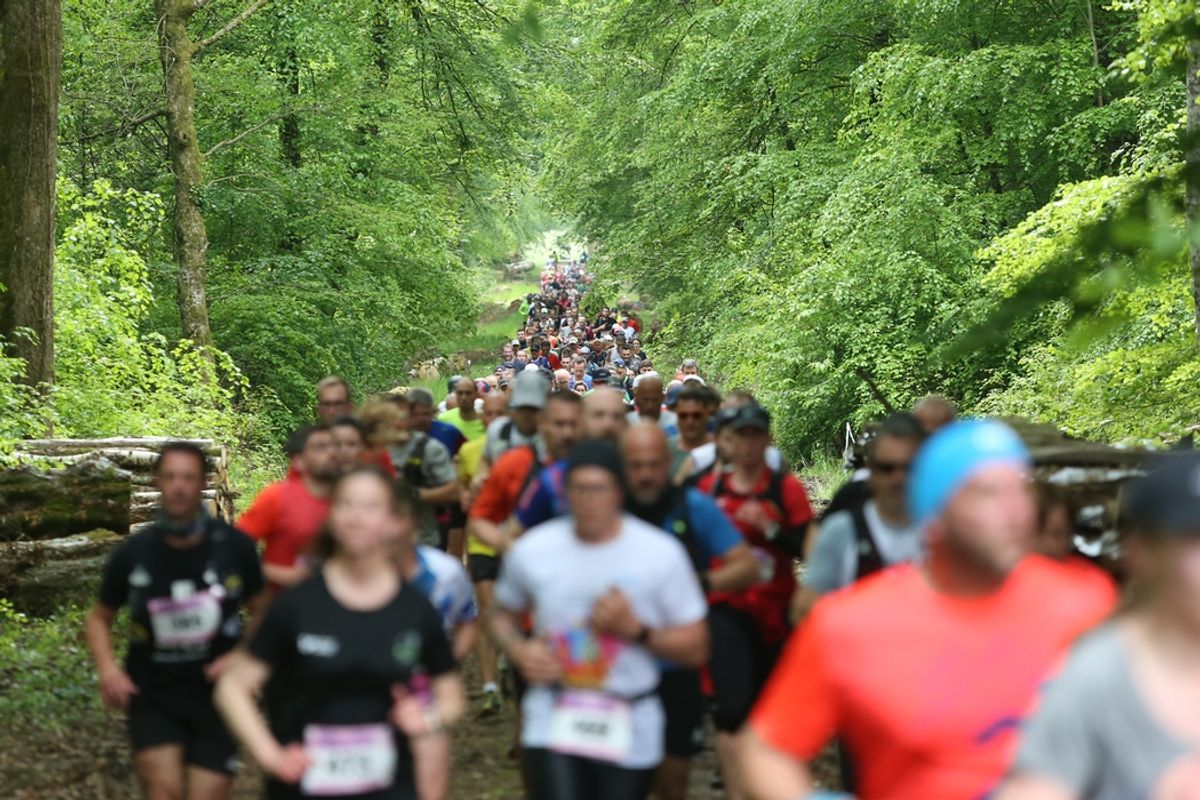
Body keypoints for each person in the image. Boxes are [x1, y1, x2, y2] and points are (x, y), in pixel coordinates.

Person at [739, 419, 1118, 800]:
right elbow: (767, 750)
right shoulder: (850, 625)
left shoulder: (1084, 601)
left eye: (1020, 490)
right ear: (936, 513)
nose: (1014, 511)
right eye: (987, 493)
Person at [216, 466, 466, 800]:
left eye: (371, 506)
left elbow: (450, 694)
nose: (356, 517)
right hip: (302, 786)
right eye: (346, 505)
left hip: (390, 787)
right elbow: (232, 687)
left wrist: (428, 718)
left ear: (394, 522)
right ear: (331, 517)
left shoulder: (416, 610)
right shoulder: (296, 606)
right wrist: (269, 754)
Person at [490, 440, 710, 800]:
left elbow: (697, 647)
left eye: (600, 489)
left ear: (620, 492)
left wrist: (636, 631)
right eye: (580, 489)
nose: (589, 500)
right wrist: (519, 651)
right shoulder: (534, 550)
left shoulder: (659, 554)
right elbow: (502, 615)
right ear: (565, 493)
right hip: (554, 711)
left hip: (629, 713)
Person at [996, 453, 1200, 800]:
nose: (1055, 545)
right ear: (1140, 553)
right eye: (1194, 541)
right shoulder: (1094, 678)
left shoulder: (1092, 588)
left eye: (1062, 534)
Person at [85, 442, 266, 800]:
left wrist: (241, 656)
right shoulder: (134, 553)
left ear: (204, 482)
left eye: (188, 477)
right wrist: (108, 670)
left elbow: (266, 611)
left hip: (219, 692)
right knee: (163, 789)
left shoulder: (233, 547)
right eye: (170, 477)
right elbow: (99, 618)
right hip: (154, 690)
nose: (179, 486)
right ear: (157, 482)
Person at [620, 424, 759, 800]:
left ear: (668, 463)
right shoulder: (604, 509)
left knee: (673, 778)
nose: (645, 475)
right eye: (636, 465)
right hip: (616, 664)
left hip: (676, 663)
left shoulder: (692, 506)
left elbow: (746, 566)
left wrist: (699, 583)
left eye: (654, 464)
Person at [695, 404, 814, 800]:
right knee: (731, 710)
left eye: (755, 435)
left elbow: (808, 550)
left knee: (770, 711)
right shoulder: (709, 489)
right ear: (728, 441)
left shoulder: (785, 489)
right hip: (725, 608)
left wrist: (771, 529)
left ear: (766, 440)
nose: (748, 445)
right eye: (740, 436)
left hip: (776, 612)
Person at [793, 413, 925, 620]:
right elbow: (804, 609)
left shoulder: (948, 531)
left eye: (909, 468)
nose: (898, 478)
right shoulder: (843, 528)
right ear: (871, 471)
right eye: (887, 468)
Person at [512, 387, 627, 532]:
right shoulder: (553, 478)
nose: (608, 425)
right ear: (582, 422)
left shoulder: (639, 468)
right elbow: (515, 531)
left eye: (617, 416)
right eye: (598, 415)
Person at [238, 425, 338, 592]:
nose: (332, 453)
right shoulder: (276, 497)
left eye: (335, 446)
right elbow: (234, 546)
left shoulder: (348, 500)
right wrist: (276, 573)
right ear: (298, 461)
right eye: (321, 447)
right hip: (282, 599)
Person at [388, 396, 460, 550]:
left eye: (403, 417)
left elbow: (453, 491)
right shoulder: (373, 447)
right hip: (382, 540)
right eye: (391, 417)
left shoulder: (430, 448)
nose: (397, 422)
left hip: (422, 539)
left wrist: (416, 494)